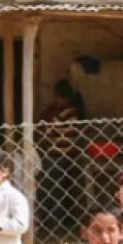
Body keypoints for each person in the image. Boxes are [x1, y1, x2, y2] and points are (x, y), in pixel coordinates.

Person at [38, 79, 84, 232]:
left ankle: (51, 224)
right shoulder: (76, 112)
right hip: (68, 156)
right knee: (59, 189)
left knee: (49, 190)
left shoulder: (62, 113)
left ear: (60, 96)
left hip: (54, 156)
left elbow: (46, 132)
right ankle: (56, 224)